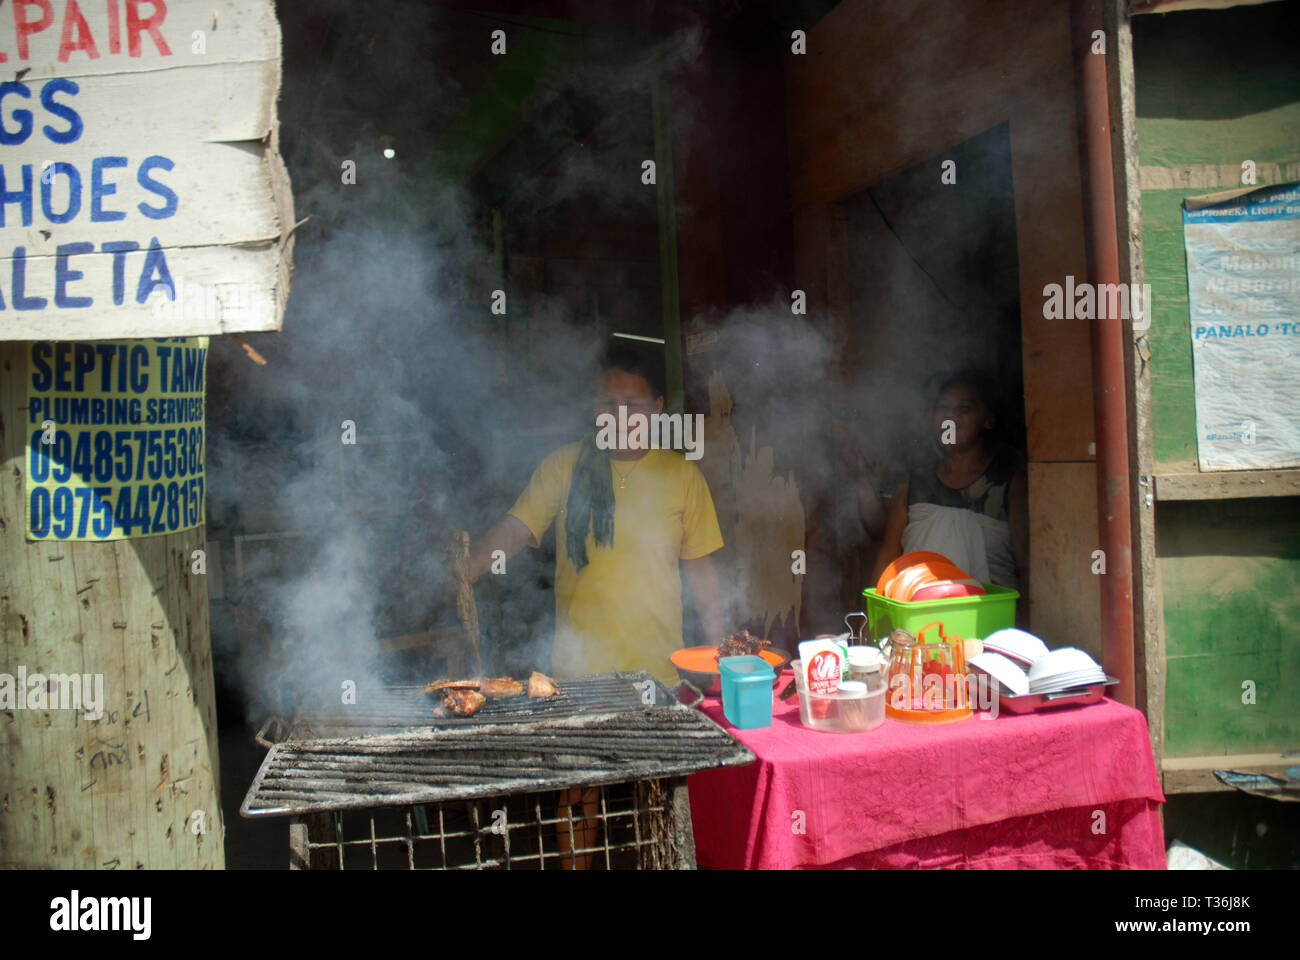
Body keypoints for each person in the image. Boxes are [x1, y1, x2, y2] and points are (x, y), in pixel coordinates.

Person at [468, 341, 726, 677]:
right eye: (608, 403)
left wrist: (723, 649)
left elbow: (700, 571)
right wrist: (468, 569)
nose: (620, 417)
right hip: (578, 673)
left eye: (633, 405)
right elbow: (518, 529)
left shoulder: (683, 477)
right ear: (594, 408)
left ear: (657, 408)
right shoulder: (562, 466)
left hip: (658, 671)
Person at [870, 370, 1029, 619]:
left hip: (990, 623)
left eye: (964, 409)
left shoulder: (1009, 483)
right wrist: (875, 619)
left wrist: (1024, 625)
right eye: (942, 408)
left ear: (988, 420)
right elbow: (889, 556)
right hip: (919, 622)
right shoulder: (914, 482)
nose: (950, 417)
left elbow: (1025, 565)